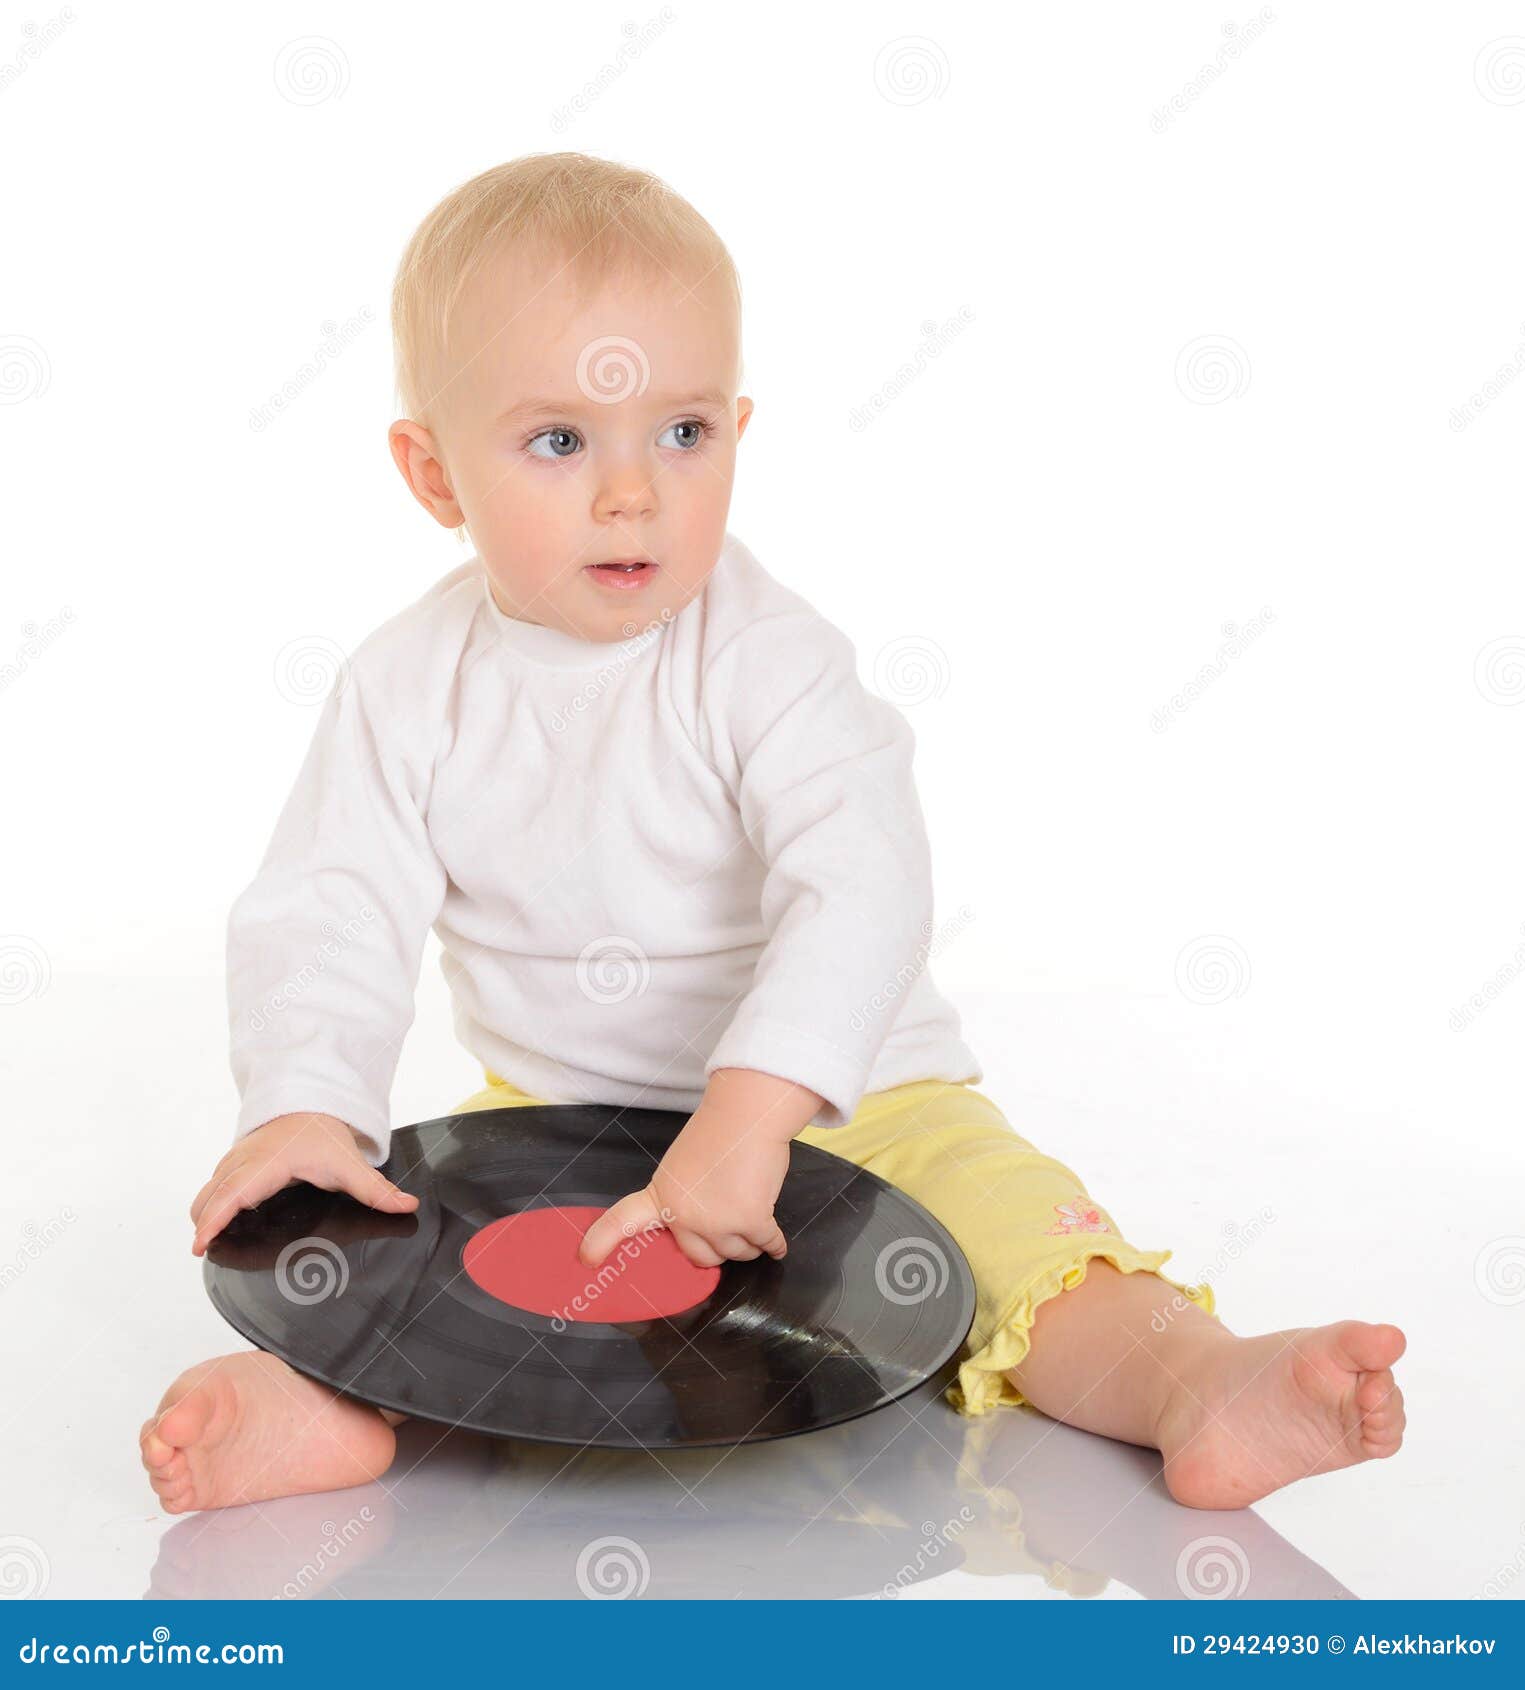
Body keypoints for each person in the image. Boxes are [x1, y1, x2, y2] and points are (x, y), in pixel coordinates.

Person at [140, 153, 1405, 1518]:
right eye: (559, 440)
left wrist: (750, 1115)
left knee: (1010, 1229)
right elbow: (330, 902)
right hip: (561, 1117)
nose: (633, 491)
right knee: (414, 1250)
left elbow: (860, 881)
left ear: (738, 427)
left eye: (681, 432)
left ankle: (1189, 1382)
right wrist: (302, 1104)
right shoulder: (403, 686)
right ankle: (325, 1400)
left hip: (863, 1105)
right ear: (430, 470)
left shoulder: (765, 657)